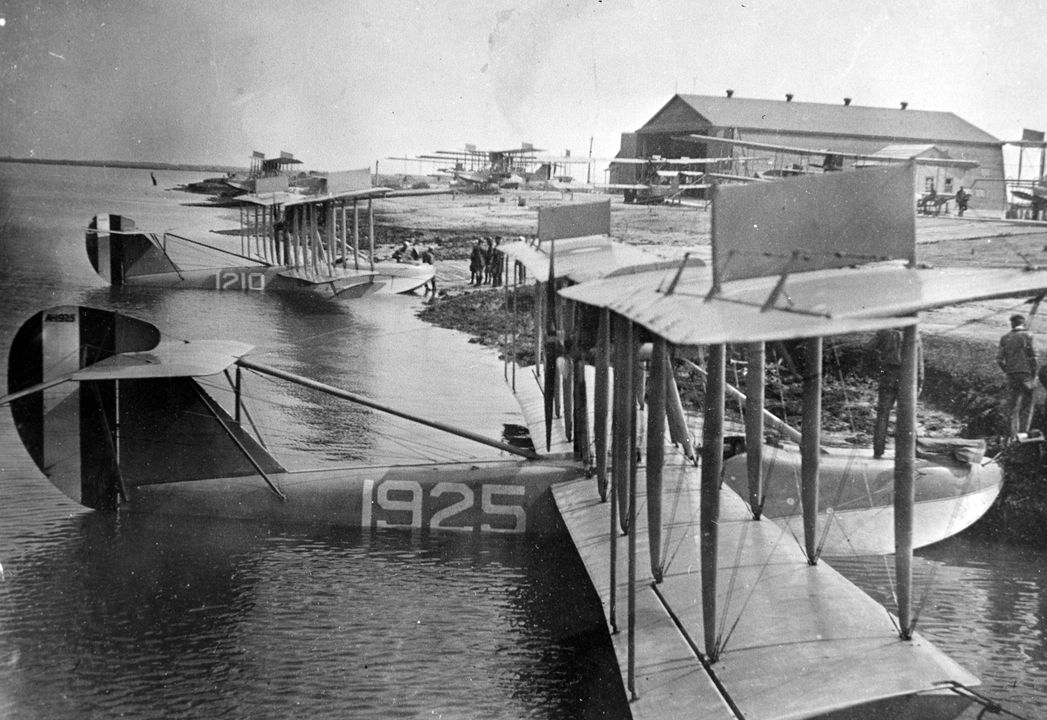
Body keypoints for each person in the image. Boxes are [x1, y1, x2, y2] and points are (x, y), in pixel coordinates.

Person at [867, 327, 923, 459]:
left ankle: (878, 450)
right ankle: (907, 452)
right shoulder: (915, 334)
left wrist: (878, 365)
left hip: (888, 374)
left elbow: (868, 348)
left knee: (882, 414)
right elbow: (919, 362)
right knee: (907, 415)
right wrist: (920, 382)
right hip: (907, 376)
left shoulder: (884, 332)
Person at [997, 313, 1038, 438]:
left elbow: (999, 360)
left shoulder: (1005, 338)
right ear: (1023, 323)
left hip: (1011, 375)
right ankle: (1023, 433)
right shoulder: (1028, 335)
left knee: (1012, 406)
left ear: (1012, 323)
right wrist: (1034, 374)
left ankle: (1011, 435)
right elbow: (1033, 357)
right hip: (1026, 375)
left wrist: (1007, 371)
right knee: (1027, 405)